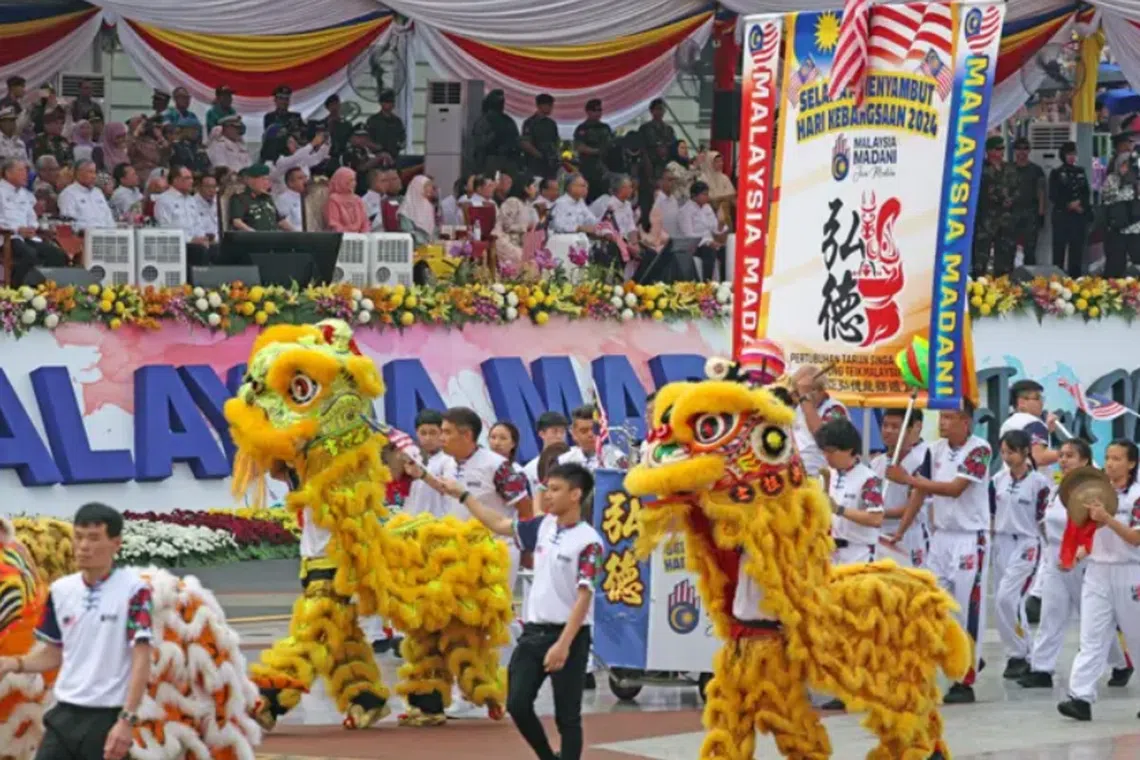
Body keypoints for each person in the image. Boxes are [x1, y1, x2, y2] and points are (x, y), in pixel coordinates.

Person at [439, 462, 601, 760]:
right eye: (546, 489)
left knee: (568, 716)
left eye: (555, 490)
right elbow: (500, 524)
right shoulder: (543, 526)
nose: (547, 496)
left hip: (569, 636)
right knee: (517, 703)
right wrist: (464, 496)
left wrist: (563, 645)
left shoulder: (589, 541)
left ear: (576, 494)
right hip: (533, 634)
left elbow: (584, 597)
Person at [0, 503, 152, 760]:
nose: (83, 546)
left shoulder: (134, 591)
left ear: (116, 544)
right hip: (64, 715)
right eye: (79, 537)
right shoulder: (60, 591)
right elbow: (53, 654)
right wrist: (12, 663)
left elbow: (141, 659)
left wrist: (126, 720)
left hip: (107, 716)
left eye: (94, 538)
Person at [887, 400, 991, 704]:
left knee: (965, 609)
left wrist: (906, 478)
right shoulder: (935, 450)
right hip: (941, 538)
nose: (943, 423)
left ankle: (966, 678)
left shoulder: (979, 449)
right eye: (941, 417)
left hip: (970, 539)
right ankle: (926, 668)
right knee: (929, 604)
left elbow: (955, 488)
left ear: (966, 422)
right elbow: (920, 491)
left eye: (949, 417)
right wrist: (901, 530)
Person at [1020, 438, 1133, 688]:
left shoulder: (1097, 490)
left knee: (1098, 622)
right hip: (1058, 559)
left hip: (1089, 561)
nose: (1063, 460)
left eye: (1069, 456)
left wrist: (1077, 555)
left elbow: (1094, 529)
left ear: (1084, 460)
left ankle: (1121, 663)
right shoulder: (1055, 489)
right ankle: (1043, 669)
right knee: (1054, 613)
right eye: (1060, 455)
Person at [1058, 440, 1140, 721]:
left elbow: (1136, 538)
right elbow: (1090, 534)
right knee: (1091, 637)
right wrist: (1075, 557)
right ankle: (1080, 697)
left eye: (1117, 458)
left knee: (1137, 638)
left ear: (1131, 464)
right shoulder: (1095, 492)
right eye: (1107, 457)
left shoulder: (1137, 496)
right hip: (1097, 572)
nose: (1110, 463)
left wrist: (1108, 518)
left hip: (1131, 572)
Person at [989, 430, 1052, 679]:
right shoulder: (997, 480)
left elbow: (1043, 519)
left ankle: (1021, 652)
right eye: (1003, 451)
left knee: (1008, 598)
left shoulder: (1040, 483)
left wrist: (1052, 549)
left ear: (1026, 451)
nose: (1006, 456)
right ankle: (1017, 654)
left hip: (1027, 544)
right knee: (1002, 601)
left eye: (1011, 451)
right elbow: (991, 513)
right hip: (1001, 542)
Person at [818, 417, 884, 565]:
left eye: (831, 451)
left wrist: (839, 509)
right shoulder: (827, 475)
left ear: (848, 449)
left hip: (859, 553)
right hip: (831, 552)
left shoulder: (868, 478)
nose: (826, 456)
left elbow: (876, 518)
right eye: (824, 451)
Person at [873, 408, 931, 567]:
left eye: (895, 427)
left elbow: (912, 506)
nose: (888, 431)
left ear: (910, 430)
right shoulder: (876, 463)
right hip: (880, 534)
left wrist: (878, 513)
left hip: (909, 536)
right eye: (885, 426)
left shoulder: (920, 461)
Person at [0, 158, 69, 285]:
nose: (25, 174)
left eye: (26, 171)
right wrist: (17, 229)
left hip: (28, 237)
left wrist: (32, 228)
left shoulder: (25, 194)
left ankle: (44, 291)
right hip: (7, 237)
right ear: (8, 173)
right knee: (30, 255)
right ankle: (13, 291)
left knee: (57, 254)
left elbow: (31, 217)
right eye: (21, 170)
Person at [790, 365, 848, 478]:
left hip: (825, 479)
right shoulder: (796, 408)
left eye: (806, 391)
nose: (799, 396)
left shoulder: (835, 409)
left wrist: (805, 398)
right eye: (798, 392)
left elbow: (823, 438)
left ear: (821, 390)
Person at [974, 135, 1018, 277]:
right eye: (998, 149)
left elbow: (1017, 187)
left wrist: (1011, 199)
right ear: (989, 151)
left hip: (1006, 219)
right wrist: (999, 199)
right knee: (981, 257)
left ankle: (1002, 284)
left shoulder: (1009, 168)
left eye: (1002, 149)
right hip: (986, 219)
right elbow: (981, 191)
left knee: (1005, 256)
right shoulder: (980, 169)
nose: (1001, 152)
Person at [1048, 141, 1090, 278]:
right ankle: (1057, 279)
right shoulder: (1056, 173)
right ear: (1063, 155)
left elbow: (1086, 192)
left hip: (1078, 217)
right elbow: (1053, 195)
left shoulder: (1080, 172)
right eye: (1069, 154)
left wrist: (1079, 204)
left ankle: (1075, 278)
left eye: (1074, 154)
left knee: (1076, 251)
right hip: (1062, 216)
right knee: (1059, 250)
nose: (1072, 157)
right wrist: (1068, 204)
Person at [1000, 379, 1059, 469]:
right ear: (1022, 402)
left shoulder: (1007, 424)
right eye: (1037, 398)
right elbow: (1038, 457)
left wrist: (1047, 431)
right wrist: (1068, 453)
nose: (1041, 403)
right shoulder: (1033, 423)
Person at [405, 409, 452, 519]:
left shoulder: (449, 459)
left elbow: (449, 489)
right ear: (416, 433)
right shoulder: (411, 457)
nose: (428, 438)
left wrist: (421, 474)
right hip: (411, 525)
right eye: (423, 433)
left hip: (439, 526)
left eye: (433, 433)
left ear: (442, 433)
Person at [1099, 150, 1140, 278]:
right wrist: (1124, 188)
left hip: (1135, 228)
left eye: (1127, 166)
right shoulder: (1112, 179)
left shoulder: (1136, 180)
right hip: (1116, 227)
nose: (1125, 169)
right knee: (1115, 263)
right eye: (1123, 165)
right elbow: (1107, 197)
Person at [678, 180, 728, 281]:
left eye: (707, 194)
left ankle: (724, 283)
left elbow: (714, 228)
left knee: (725, 251)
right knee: (709, 251)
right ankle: (706, 284)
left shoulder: (707, 207)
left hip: (710, 242)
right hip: (694, 246)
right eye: (704, 194)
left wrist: (720, 224)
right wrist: (708, 242)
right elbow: (689, 235)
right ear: (694, 195)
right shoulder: (685, 211)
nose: (707, 197)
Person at [1010, 137, 1046, 265]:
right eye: (1019, 149)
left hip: (1031, 212)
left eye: (1025, 149)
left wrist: (1041, 213)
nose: (1022, 152)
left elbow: (1041, 192)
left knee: (1030, 250)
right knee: (1009, 248)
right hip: (1012, 213)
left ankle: (1030, 280)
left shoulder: (1036, 170)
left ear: (1029, 151)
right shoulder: (1009, 169)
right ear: (1015, 151)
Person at [559, 405, 627, 471]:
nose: (591, 434)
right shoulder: (565, 461)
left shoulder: (616, 457)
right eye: (584, 431)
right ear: (574, 434)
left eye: (595, 429)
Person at [573, 99, 614, 204]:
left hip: (604, 171)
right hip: (588, 170)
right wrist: (596, 151)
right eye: (595, 110)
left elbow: (611, 146)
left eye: (600, 110)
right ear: (588, 111)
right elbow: (579, 147)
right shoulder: (582, 128)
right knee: (587, 200)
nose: (598, 113)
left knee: (604, 200)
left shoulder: (605, 127)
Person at [59, 160, 116, 233]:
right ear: (78, 173)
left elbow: (109, 218)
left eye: (95, 172)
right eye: (90, 172)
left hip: (107, 235)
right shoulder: (68, 194)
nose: (94, 176)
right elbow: (70, 223)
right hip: (85, 236)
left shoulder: (98, 192)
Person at [524, 411, 570, 494]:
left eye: (562, 432)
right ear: (542, 434)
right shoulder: (529, 469)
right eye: (555, 431)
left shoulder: (576, 458)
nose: (559, 436)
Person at [229, 163, 284, 232]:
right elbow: (237, 222)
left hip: (273, 238)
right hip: (253, 239)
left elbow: (280, 221)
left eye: (267, 179)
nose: (266, 183)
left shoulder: (267, 198)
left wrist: (296, 231)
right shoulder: (240, 198)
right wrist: (254, 234)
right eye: (263, 179)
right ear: (251, 180)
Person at [521, 94, 560, 180]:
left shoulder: (551, 123)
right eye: (549, 105)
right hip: (535, 164)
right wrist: (541, 156)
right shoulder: (530, 123)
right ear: (540, 105)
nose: (551, 108)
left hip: (550, 165)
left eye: (552, 105)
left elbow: (556, 142)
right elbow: (525, 143)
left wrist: (554, 156)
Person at [365, 89, 406, 167]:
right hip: (376, 159)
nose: (390, 104)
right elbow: (367, 140)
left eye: (392, 102)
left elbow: (402, 138)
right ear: (381, 103)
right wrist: (376, 148)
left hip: (394, 159)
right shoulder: (373, 121)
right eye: (387, 102)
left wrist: (400, 144)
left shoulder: (397, 121)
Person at [638, 98, 676, 180]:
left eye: (662, 109)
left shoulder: (669, 129)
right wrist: (647, 163)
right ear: (651, 111)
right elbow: (642, 148)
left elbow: (673, 146)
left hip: (665, 165)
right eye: (658, 109)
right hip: (649, 165)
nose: (660, 112)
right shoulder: (645, 128)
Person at [396, 174, 437, 246]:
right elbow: (408, 233)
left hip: (430, 248)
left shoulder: (429, 206)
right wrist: (424, 242)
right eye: (427, 186)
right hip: (413, 248)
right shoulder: (406, 209)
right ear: (417, 187)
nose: (430, 188)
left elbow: (433, 229)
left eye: (430, 186)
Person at [274, 166, 306, 231]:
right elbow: (282, 223)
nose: (305, 181)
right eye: (300, 178)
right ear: (291, 183)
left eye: (305, 177)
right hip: (294, 237)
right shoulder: (283, 199)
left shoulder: (309, 197)